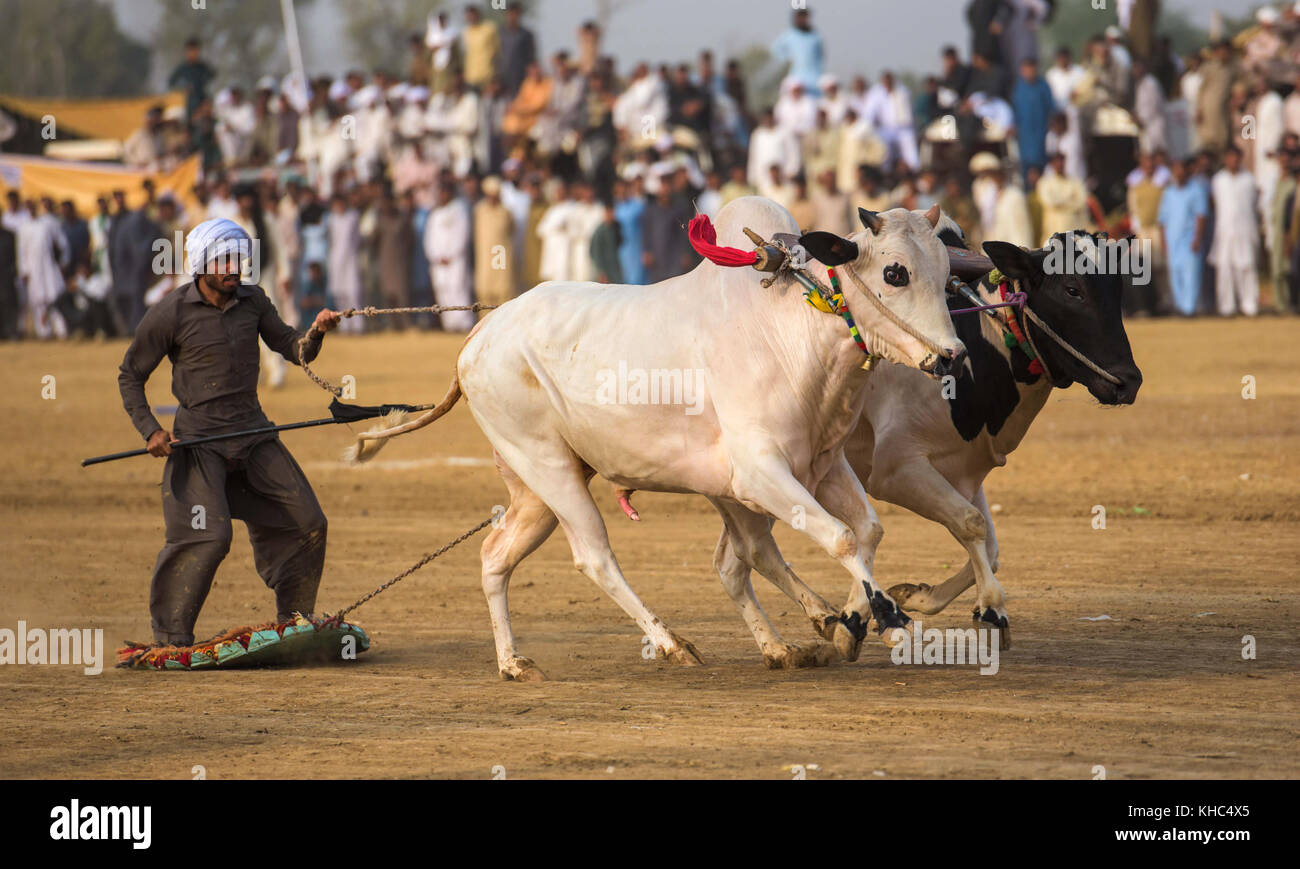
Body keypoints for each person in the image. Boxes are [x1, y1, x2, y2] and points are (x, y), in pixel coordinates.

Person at [117, 218, 341, 648]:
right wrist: (151, 430)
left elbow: (293, 348)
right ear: (201, 264)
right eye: (223, 260)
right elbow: (130, 375)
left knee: (309, 521)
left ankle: (294, 620)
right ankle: (170, 636)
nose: (233, 267)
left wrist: (316, 333)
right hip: (199, 445)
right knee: (209, 536)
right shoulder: (170, 311)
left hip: (254, 436)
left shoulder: (253, 300)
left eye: (238, 259)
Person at [1210, 147, 1259, 316]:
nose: (1233, 161)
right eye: (1230, 157)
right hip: (1224, 231)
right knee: (1225, 269)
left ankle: (1249, 305)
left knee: (1247, 267)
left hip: (1245, 229)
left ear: (1241, 158)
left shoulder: (1249, 179)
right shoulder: (1218, 180)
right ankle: (1227, 306)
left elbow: (1254, 203)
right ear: (1226, 159)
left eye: (1236, 157)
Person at [1157, 158, 1209, 316]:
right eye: (1176, 170)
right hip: (1172, 241)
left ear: (1187, 171)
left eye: (1181, 170)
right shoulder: (1168, 192)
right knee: (1175, 274)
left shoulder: (1196, 190)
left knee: (1190, 275)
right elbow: (1162, 221)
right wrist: (1163, 243)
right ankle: (1180, 307)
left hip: (1190, 240)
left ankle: (1189, 309)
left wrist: (1197, 238)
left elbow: (1201, 216)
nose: (1179, 173)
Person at [424, 181, 474, 331]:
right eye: (440, 192)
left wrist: (451, 255)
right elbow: (429, 240)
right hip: (438, 262)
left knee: (458, 289)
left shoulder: (459, 210)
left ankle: (464, 324)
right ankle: (450, 325)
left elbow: (462, 235)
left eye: (445, 192)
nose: (442, 195)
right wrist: (436, 256)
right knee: (442, 290)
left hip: (455, 260)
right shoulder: (435, 214)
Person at [473, 176, 515, 309]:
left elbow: (511, 230)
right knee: (484, 292)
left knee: (503, 292)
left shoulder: (505, 212)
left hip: (501, 257)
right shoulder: (480, 210)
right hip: (484, 258)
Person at [770, 8, 824, 95]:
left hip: (814, 79)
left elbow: (820, 56)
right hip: (796, 76)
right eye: (800, 17)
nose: (802, 20)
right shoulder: (789, 35)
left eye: (804, 17)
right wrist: (787, 59)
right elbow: (776, 49)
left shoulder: (815, 36)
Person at [167, 37, 215, 122]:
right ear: (186, 52)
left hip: (202, 100)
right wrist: (183, 87)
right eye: (191, 50)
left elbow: (212, 76)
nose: (193, 53)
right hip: (188, 101)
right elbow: (171, 82)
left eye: (195, 50)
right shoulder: (183, 67)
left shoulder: (202, 66)